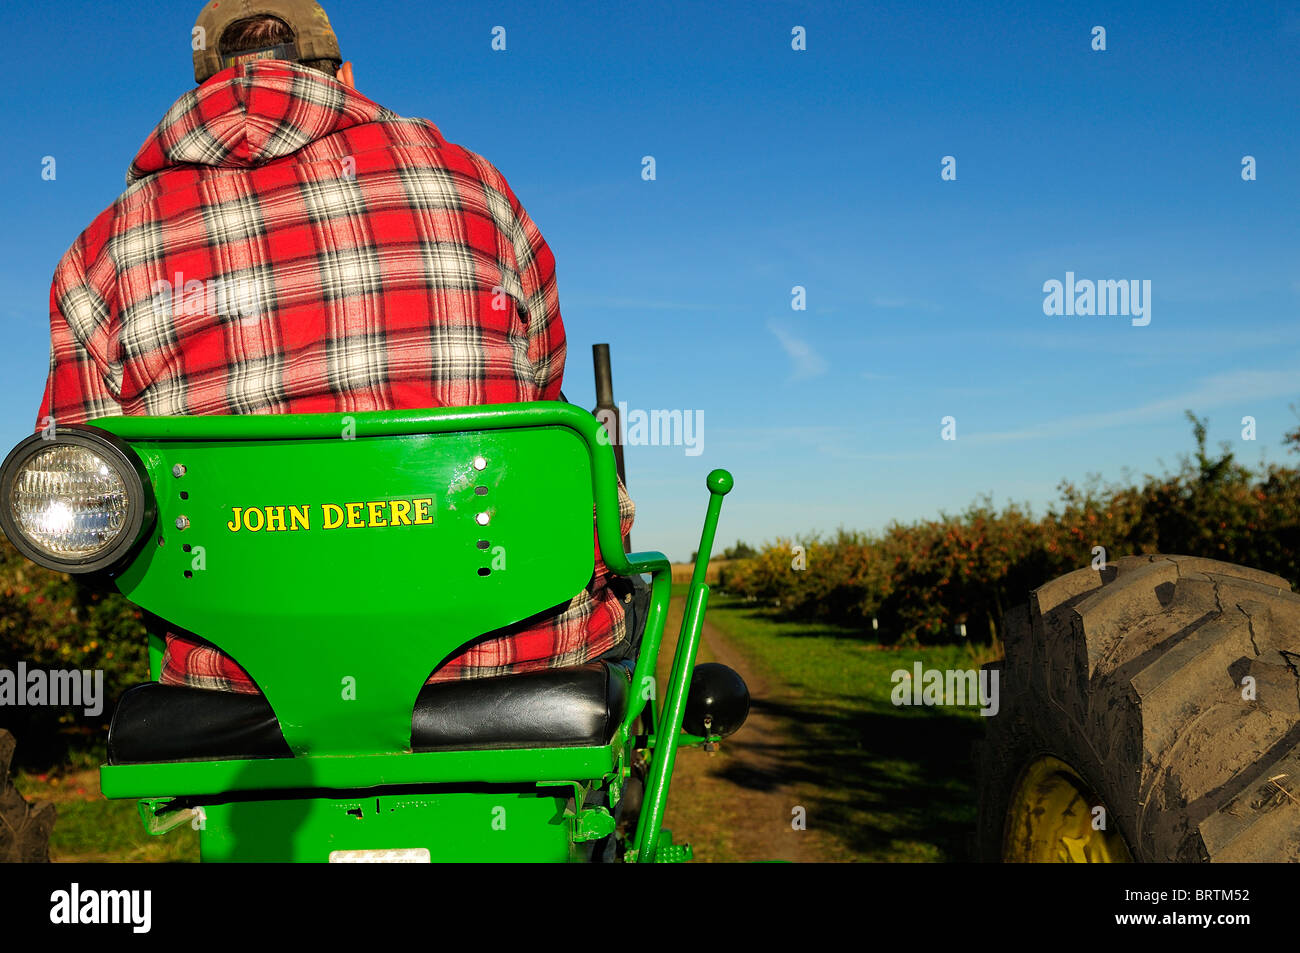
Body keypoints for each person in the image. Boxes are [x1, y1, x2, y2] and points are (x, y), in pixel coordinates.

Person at [37, 0, 637, 694]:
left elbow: (82, 499)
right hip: (522, 653)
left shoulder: (99, 250)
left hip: (237, 682)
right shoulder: (473, 184)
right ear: (344, 76)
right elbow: (538, 395)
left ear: (201, 83)